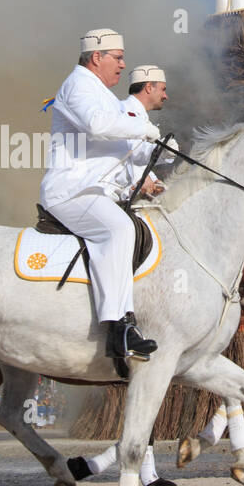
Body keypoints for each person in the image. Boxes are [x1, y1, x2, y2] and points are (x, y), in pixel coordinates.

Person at [40, 30, 162, 376]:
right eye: (118, 57)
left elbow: (118, 158)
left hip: (94, 190)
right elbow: (97, 126)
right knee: (119, 228)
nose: (124, 65)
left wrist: (145, 178)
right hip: (71, 190)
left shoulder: (104, 96)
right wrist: (143, 130)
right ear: (96, 57)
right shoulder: (78, 86)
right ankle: (118, 326)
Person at [114, 65, 176, 199]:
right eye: (163, 89)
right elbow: (124, 153)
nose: (165, 96)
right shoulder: (124, 112)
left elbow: (137, 157)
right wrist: (143, 178)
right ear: (149, 88)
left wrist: (154, 180)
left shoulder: (138, 116)